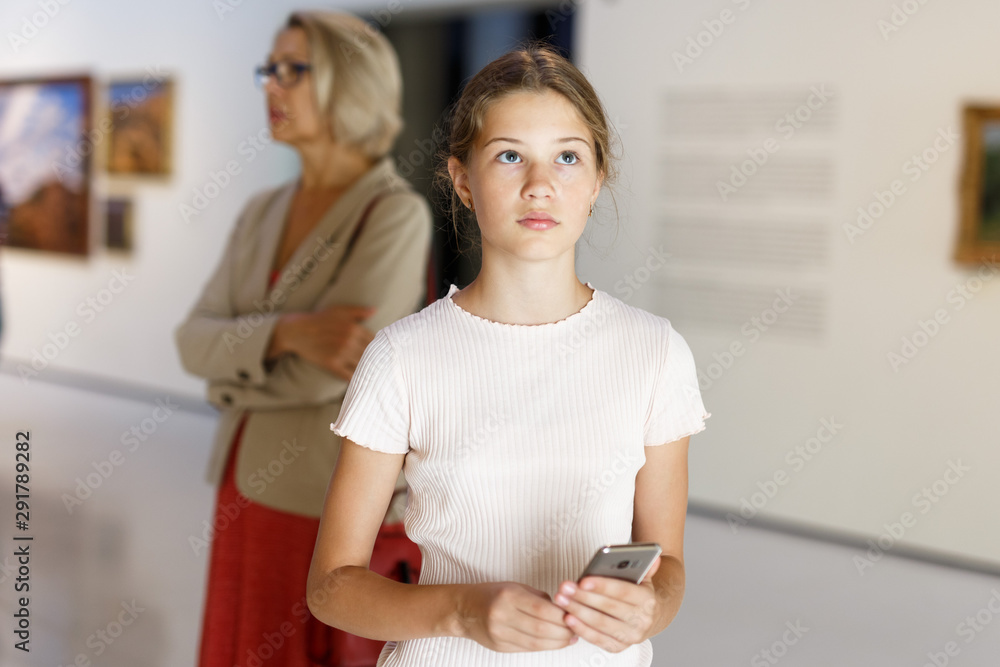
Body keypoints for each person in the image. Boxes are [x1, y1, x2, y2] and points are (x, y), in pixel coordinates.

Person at [305, 42, 711, 667]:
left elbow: (669, 563)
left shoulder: (656, 352)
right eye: (510, 156)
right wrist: (461, 611)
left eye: (567, 158)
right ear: (463, 181)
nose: (540, 186)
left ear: (596, 181)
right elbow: (332, 587)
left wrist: (649, 609)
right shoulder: (402, 357)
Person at [174, 11, 432, 667]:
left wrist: (230, 374)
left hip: (321, 499)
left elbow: (333, 370)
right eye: (270, 69)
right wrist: (288, 333)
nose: (272, 85)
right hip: (241, 485)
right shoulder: (261, 210)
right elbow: (190, 339)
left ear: (352, 82)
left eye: (293, 70)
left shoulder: (393, 213)